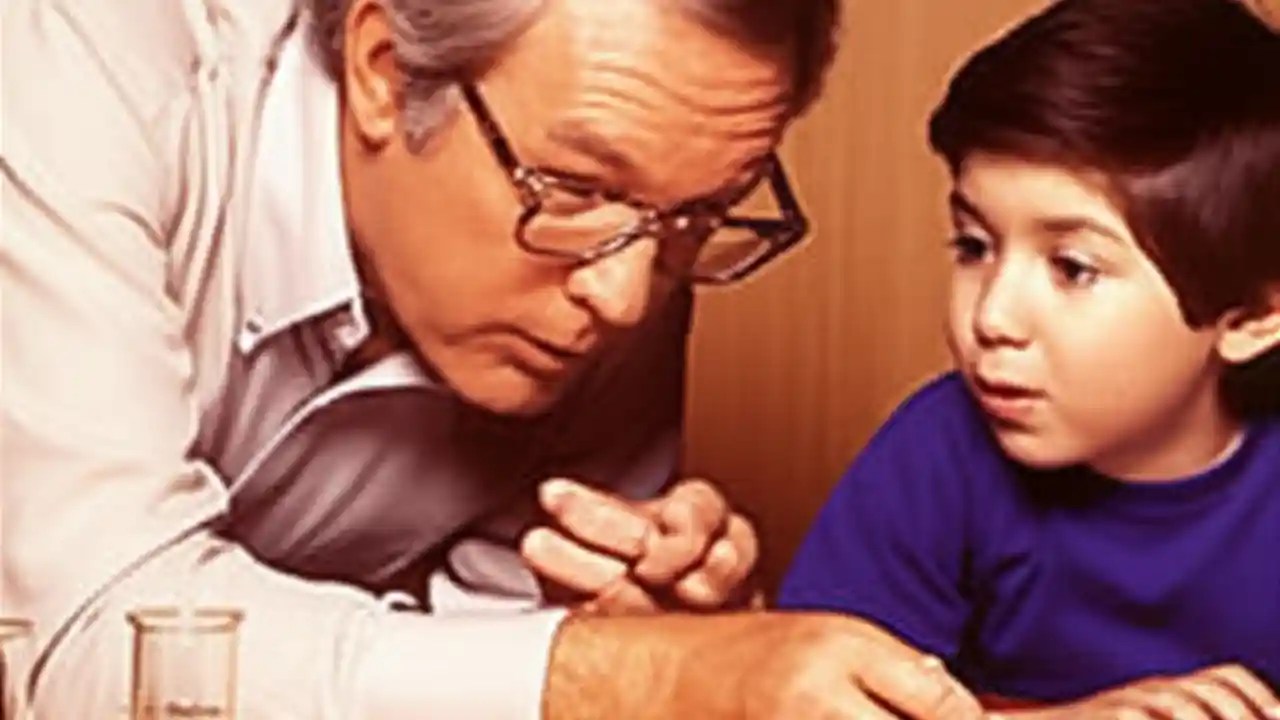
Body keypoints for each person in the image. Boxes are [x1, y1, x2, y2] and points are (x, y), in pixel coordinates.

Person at [1, 0, 987, 717]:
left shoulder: (627, 250)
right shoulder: (81, 75)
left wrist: (632, 627)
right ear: (383, 70)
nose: (625, 298)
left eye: (699, 216)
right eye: (574, 188)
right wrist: (641, 677)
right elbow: (89, 640)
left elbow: (501, 667)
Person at [779, 0, 1280, 716]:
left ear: (1253, 316)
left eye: (1073, 269)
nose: (992, 317)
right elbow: (812, 700)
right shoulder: (937, 455)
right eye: (974, 247)